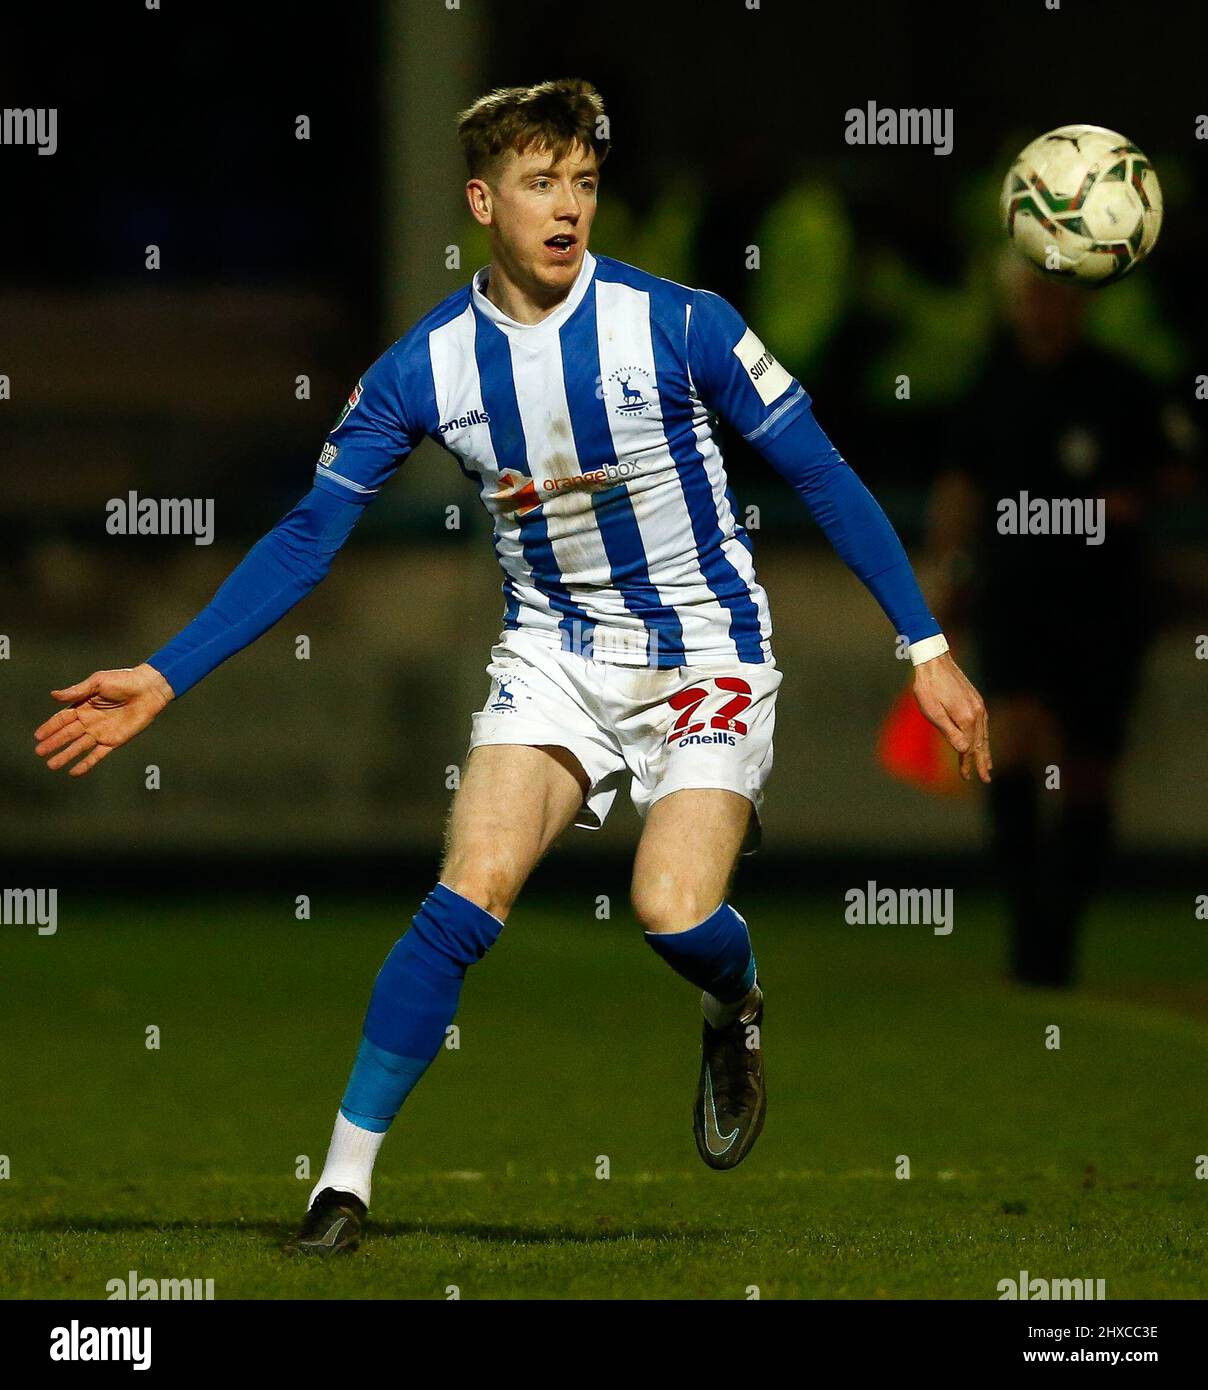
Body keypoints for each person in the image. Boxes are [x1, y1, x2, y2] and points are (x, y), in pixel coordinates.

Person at [34, 79, 990, 1255]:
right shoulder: (421, 369)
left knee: (666, 909)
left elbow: (826, 473)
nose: (568, 207)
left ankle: (732, 999)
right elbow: (306, 536)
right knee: (466, 891)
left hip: (705, 651)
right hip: (552, 654)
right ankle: (341, 1188)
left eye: (584, 182)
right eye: (541, 183)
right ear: (483, 200)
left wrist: (925, 647)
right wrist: (165, 675)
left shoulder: (680, 323)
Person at [928, 257, 1172, 987]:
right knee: (1015, 743)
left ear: (1080, 304)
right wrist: (944, 580)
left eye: (1056, 294)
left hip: (1103, 606)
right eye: (1032, 294)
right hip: (1016, 599)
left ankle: (1060, 929)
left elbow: (1162, 480)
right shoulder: (993, 385)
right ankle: (1030, 934)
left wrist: (1115, 510)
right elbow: (960, 490)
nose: (1043, 307)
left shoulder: (1121, 387)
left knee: (1089, 773)